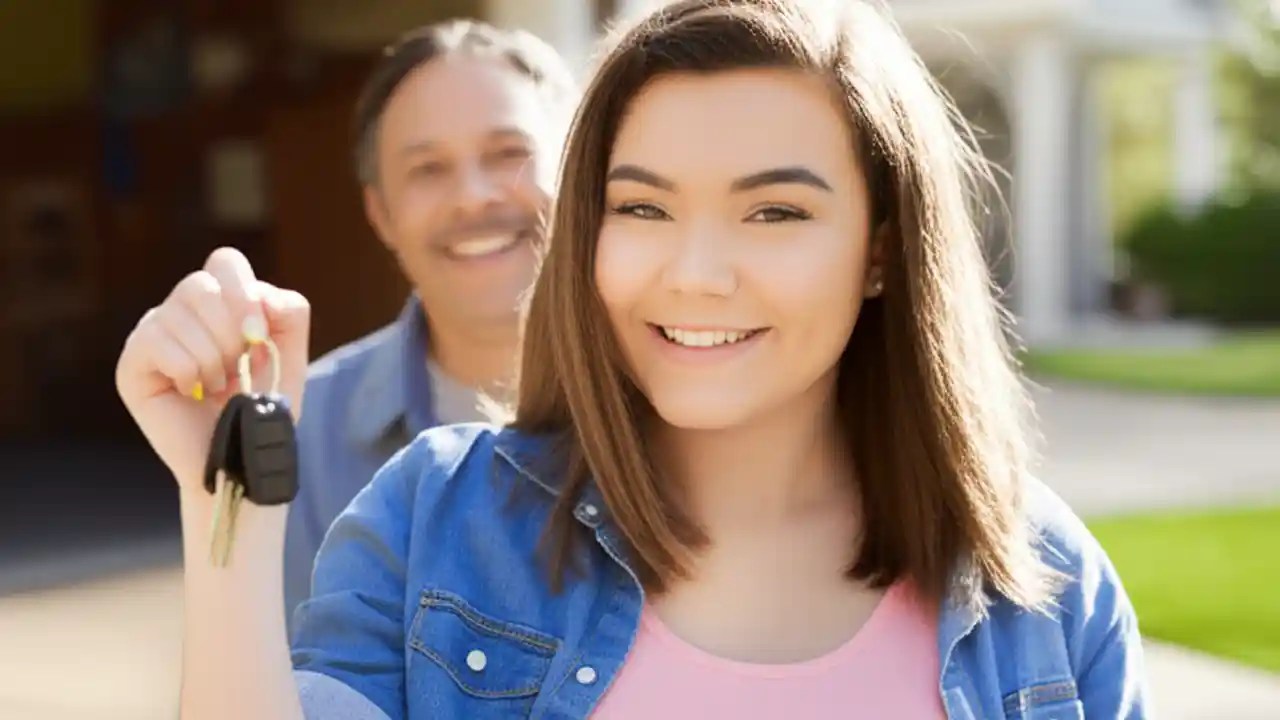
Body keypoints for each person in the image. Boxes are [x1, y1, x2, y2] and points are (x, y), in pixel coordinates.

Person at [115, 1, 1149, 718]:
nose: (694, 273)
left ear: (879, 249)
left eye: (773, 210)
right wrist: (233, 518)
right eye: (643, 206)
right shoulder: (437, 522)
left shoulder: (1045, 588)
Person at [271, 20, 576, 622]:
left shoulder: (678, 397)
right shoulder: (304, 433)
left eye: (509, 154)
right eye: (428, 169)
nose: (472, 197)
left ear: (580, 176)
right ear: (381, 215)